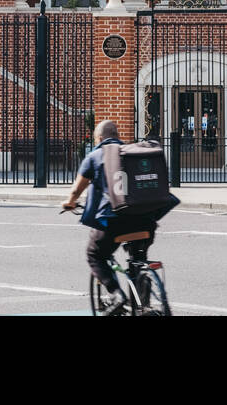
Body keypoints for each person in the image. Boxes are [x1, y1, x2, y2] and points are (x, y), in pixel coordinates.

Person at [62, 120, 167, 315]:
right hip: (146, 222)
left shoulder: (95, 156)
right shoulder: (132, 154)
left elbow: (77, 188)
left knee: (95, 254)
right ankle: (143, 304)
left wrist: (69, 202)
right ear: (118, 136)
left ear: (99, 139)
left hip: (114, 223)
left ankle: (116, 295)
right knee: (138, 257)